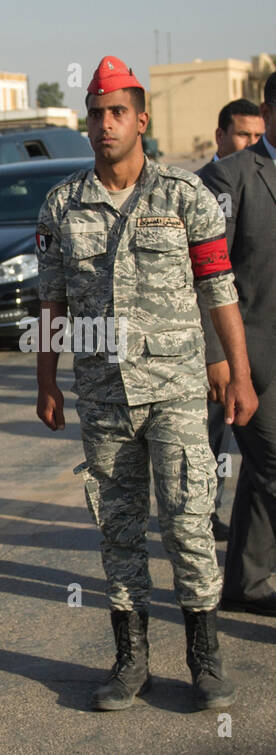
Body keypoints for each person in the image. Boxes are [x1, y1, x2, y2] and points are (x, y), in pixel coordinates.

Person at [34, 56, 257, 712]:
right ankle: (131, 659)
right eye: (97, 114)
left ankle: (205, 658)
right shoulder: (62, 204)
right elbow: (50, 303)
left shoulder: (185, 197)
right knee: (119, 529)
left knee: (188, 524)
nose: (105, 125)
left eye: (117, 113)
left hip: (179, 388)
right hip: (103, 396)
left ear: (141, 119)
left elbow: (220, 291)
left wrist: (239, 374)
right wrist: (46, 381)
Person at [200, 73, 276, 616]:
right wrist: (220, 358)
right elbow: (208, 276)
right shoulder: (231, 178)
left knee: (260, 472)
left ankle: (245, 583)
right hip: (255, 363)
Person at [198, 97, 265, 540]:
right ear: (220, 134)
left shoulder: (263, 178)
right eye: (243, 134)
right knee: (210, 440)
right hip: (218, 342)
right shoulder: (197, 188)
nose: (250, 144)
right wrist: (215, 354)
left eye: (258, 136)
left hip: (260, 338)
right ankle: (202, 519)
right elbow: (202, 282)